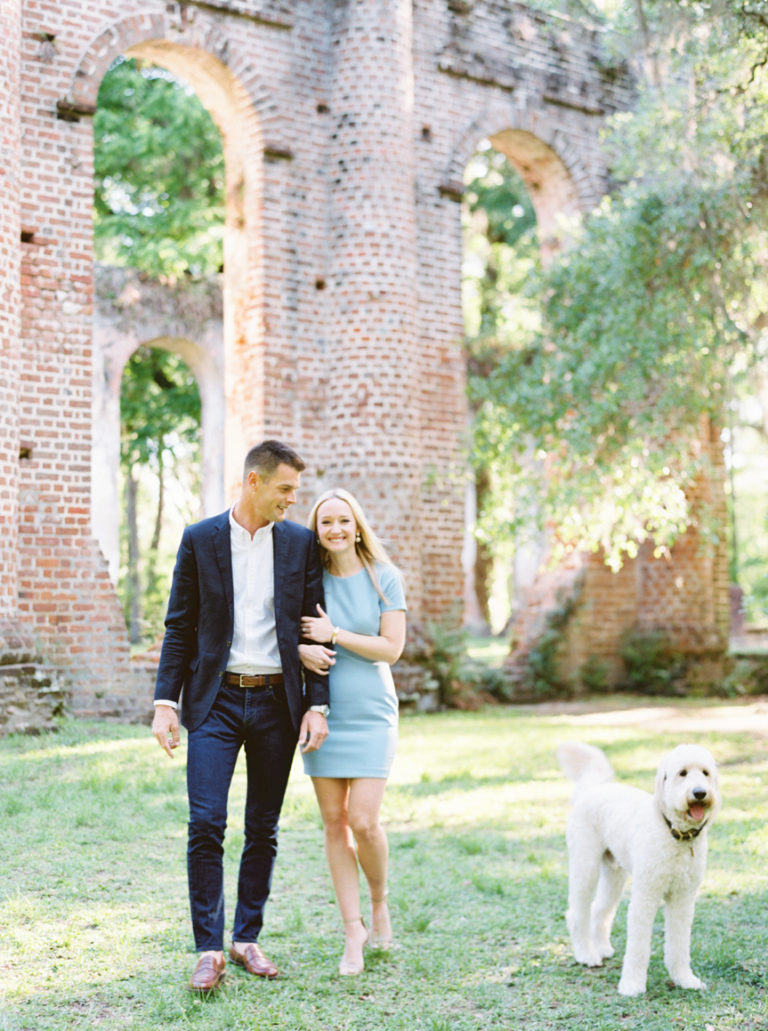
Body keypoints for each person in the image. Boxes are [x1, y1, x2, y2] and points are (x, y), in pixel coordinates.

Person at [151, 440, 330, 993]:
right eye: (284, 489)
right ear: (253, 482)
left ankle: (246, 937)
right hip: (215, 701)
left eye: (295, 491)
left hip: (279, 701)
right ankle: (208, 950)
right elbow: (180, 626)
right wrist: (165, 702)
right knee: (205, 823)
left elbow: (312, 624)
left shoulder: (300, 544)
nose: (292, 501)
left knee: (263, 827)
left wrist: (318, 702)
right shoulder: (200, 539)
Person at [299, 488, 407, 976]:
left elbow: (391, 649)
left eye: (344, 520)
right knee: (332, 822)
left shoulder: (385, 578)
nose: (336, 529)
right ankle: (353, 929)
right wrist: (303, 650)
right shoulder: (309, 582)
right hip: (321, 713)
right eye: (326, 523)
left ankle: (379, 900)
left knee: (363, 821)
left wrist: (335, 634)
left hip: (372, 714)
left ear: (357, 525)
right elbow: (286, 633)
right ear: (317, 532)